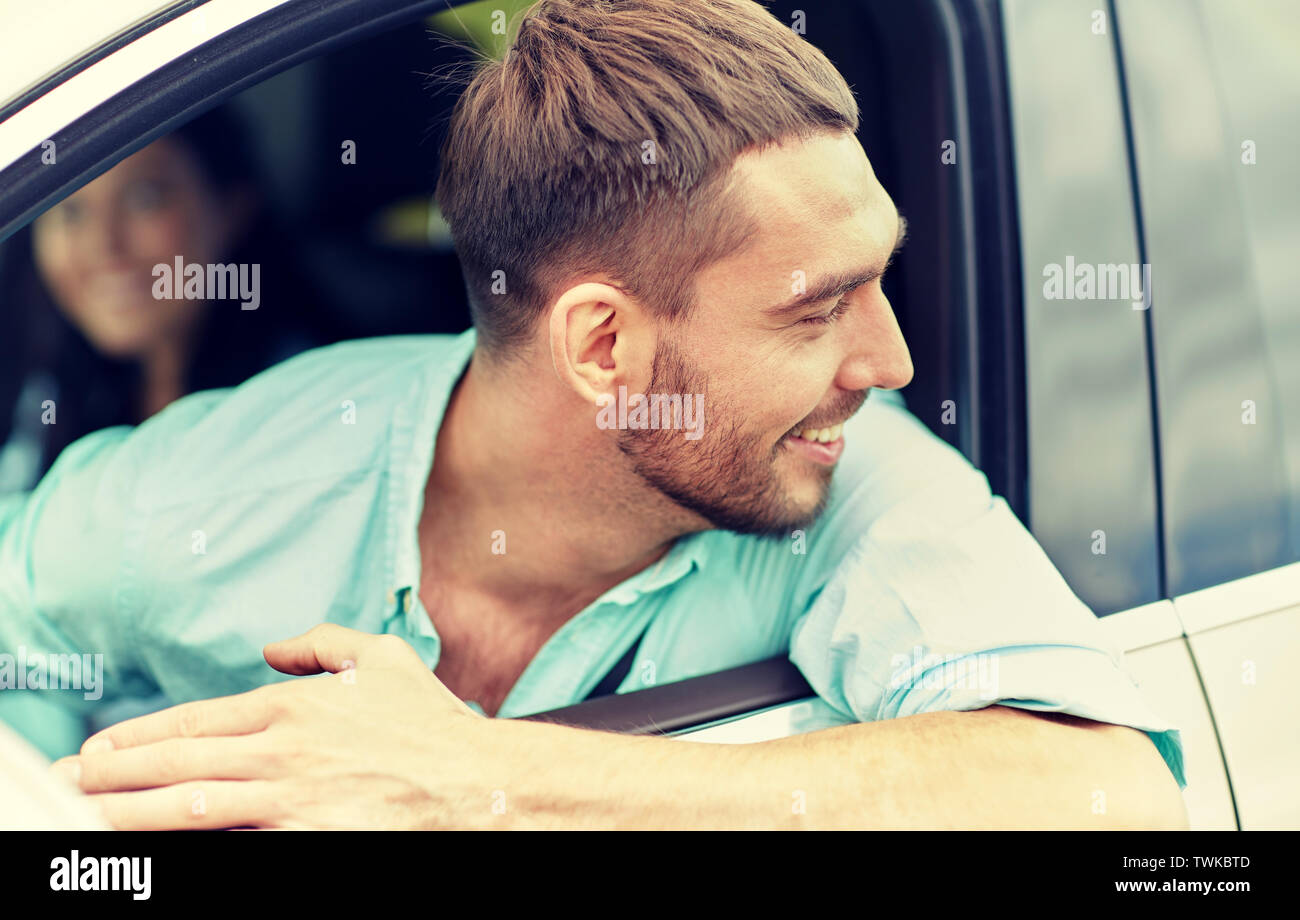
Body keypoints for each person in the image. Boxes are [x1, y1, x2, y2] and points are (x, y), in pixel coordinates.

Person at [2, 0, 1187, 829]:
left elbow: (1110, 793)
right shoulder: (192, 500)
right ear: (606, 345)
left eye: (880, 277)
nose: (889, 359)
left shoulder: (845, 473)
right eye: (817, 309)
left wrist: (486, 782)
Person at [0, 107, 327, 758]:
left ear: (230, 208)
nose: (103, 246)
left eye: (145, 198)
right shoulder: (49, 397)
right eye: (69, 210)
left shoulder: (304, 408)